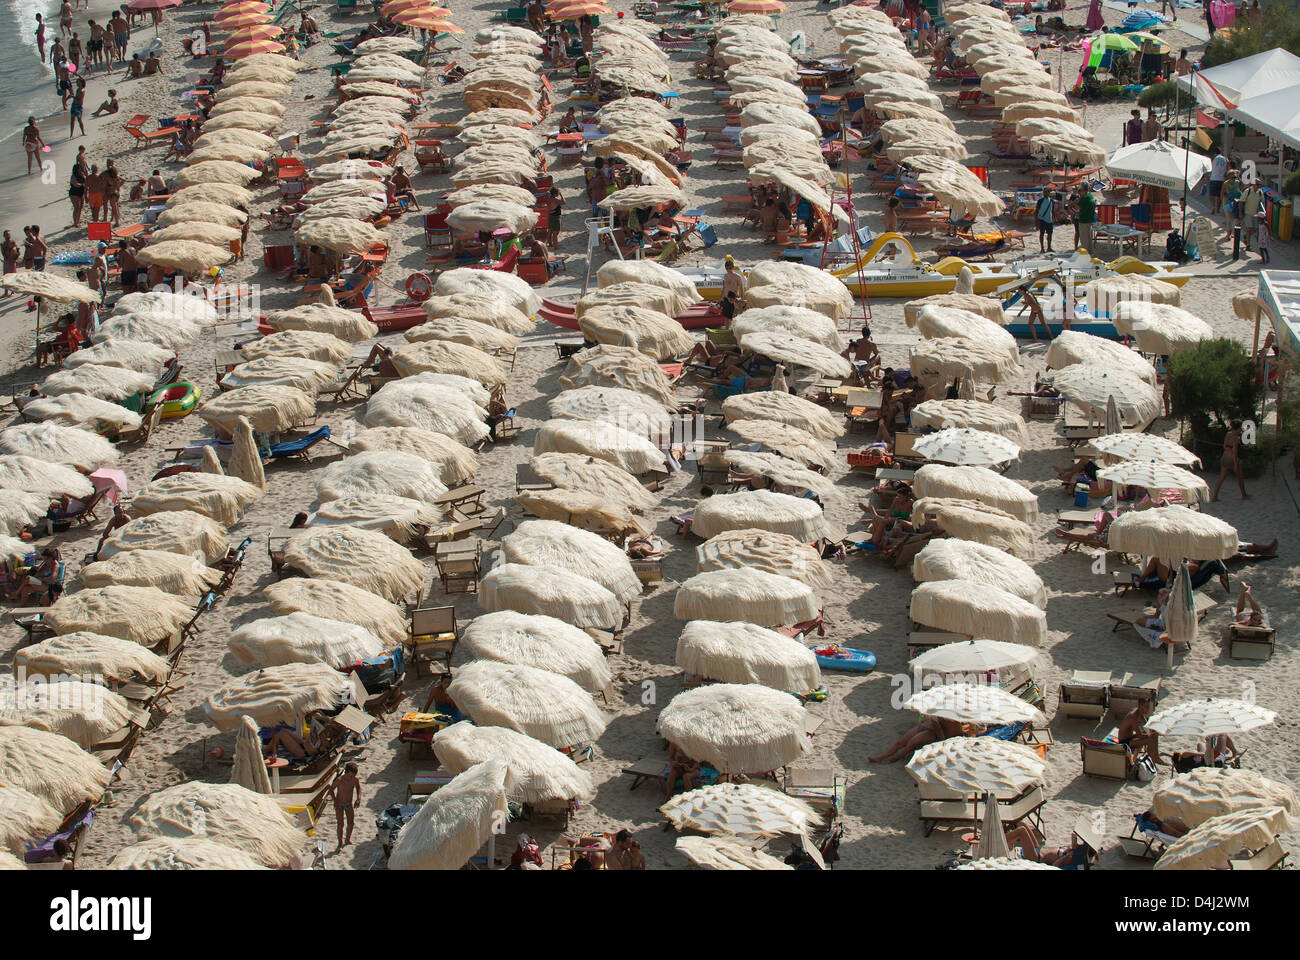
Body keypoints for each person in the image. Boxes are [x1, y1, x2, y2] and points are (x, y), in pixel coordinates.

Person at [869, 715, 969, 764]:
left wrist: (940, 738)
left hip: (935, 732)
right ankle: (881, 757)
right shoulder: (940, 710)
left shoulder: (955, 721)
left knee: (911, 743)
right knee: (901, 742)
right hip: (928, 726)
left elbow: (945, 735)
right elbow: (927, 719)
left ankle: (898, 757)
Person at [1003, 825, 1092, 867]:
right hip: (1038, 849)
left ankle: (999, 839)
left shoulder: (1071, 858)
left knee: (1021, 831)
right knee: (1023, 825)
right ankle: (1009, 843)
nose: (1081, 843)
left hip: (1036, 857)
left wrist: (1063, 858)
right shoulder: (1074, 849)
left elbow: (1054, 867)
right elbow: (1073, 835)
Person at [1115, 698, 1164, 762]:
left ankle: (1157, 758)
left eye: (1148, 706)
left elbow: (1147, 726)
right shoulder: (1133, 716)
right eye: (1146, 707)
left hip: (1131, 738)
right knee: (1150, 740)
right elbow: (1140, 736)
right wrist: (1150, 735)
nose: (1148, 709)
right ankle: (1152, 760)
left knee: (1154, 734)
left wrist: (1154, 732)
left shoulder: (1140, 713)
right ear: (1140, 706)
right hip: (1124, 742)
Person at [1212, 418, 1249, 501]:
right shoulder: (1236, 438)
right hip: (1232, 459)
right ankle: (1244, 495)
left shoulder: (1228, 434)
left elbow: (1224, 446)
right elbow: (1235, 452)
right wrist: (1236, 464)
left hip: (1224, 458)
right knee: (1240, 478)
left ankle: (1214, 496)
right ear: (1239, 428)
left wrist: (1229, 449)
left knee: (1221, 479)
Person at [329, 763, 361, 848]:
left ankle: (347, 839)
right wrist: (335, 800)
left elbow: (358, 788)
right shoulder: (340, 780)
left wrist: (358, 798)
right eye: (350, 775)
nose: (352, 777)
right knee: (340, 824)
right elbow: (331, 790)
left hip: (349, 804)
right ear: (347, 772)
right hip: (339, 804)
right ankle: (340, 842)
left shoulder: (355, 780)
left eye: (353, 775)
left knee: (351, 823)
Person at [68, 158, 87, 227]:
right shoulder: (73, 176)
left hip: (81, 193)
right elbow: (75, 184)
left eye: (81, 168)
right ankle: (75, 222)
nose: (80, 170)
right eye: (79, 169)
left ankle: (77, 221)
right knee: (76, 207)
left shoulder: (82, 174)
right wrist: (83, 185)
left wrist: (85, 166)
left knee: (81, 207)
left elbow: (86, 178)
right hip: (74, 193)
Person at [1035, 187, 1056, 253]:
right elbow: (1036, 212)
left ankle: (1049, 247)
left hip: (1049, 220)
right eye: (1044, 192)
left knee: (1050, 234)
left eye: (1047, 192)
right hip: (1042, 219)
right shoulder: (1040, 201)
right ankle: (1042, 248)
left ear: (1049, 193)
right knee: (1042, 234)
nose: (1045, 193)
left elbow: (1052, 210)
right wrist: (1036, 223)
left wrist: (1054, 218)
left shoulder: (1051, 201)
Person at [1207, 147, 1227, 215]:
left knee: (1211, 195)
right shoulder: (1225, 159)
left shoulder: (1214, 159)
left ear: (1215, 153)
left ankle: (1213, 206)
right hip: (1221, 179)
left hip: (1213, 178)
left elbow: (1210, 167)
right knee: (1219, 195)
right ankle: (1218, 209)